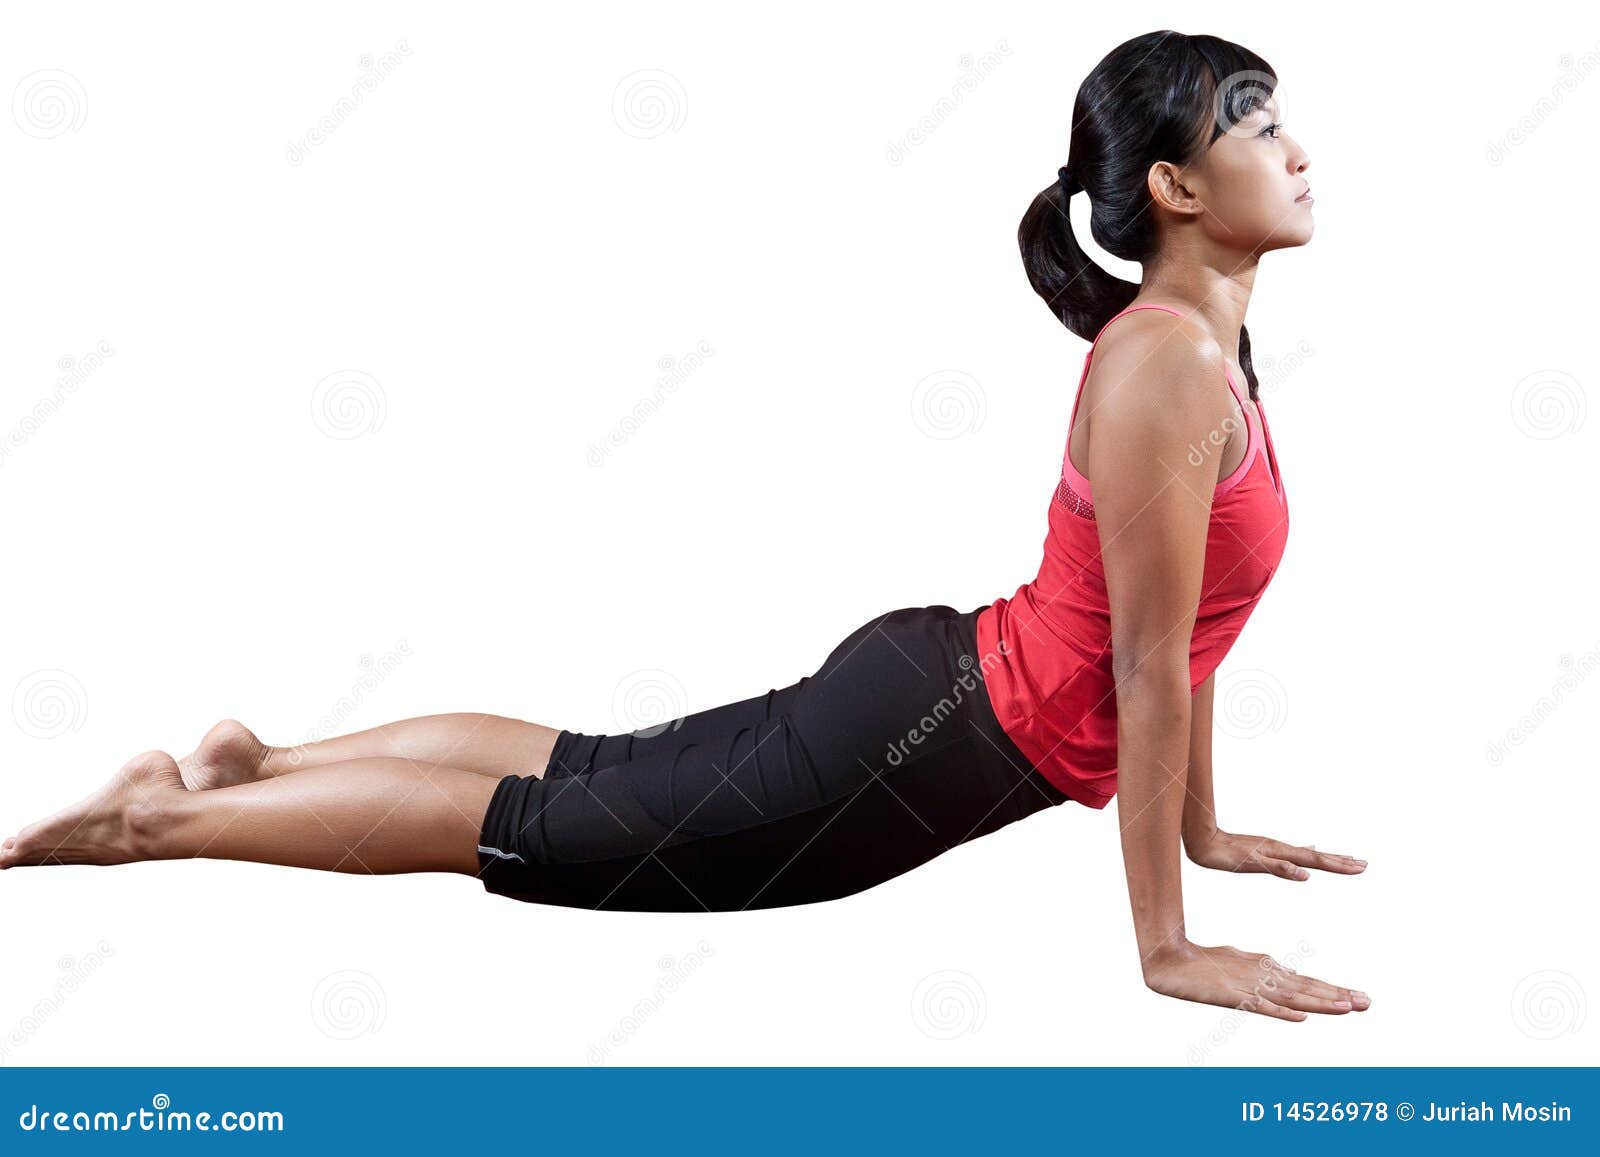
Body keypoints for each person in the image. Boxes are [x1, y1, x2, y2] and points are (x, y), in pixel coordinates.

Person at [0, 30, 1369, 1021]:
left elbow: (1183, 635)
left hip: (925, 694)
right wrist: (1167, 946)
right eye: (1257, 128)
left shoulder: (1210, 346)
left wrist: (1203, 827)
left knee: (583, 768)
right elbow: (1143, 665)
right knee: (533, 825)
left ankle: (263, 758)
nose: (1297, 148)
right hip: (910, 754)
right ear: (1178, 191)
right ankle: (155, 825)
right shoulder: (1172, 365)